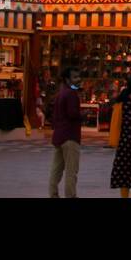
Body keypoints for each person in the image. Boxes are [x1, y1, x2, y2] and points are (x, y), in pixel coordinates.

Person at [48, 67, 83, 198]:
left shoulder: (60, 93)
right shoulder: (71, 94)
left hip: (59, 136)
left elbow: (55, 116)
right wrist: (82, 116)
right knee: (71, 170)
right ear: (67, 80)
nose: (78, 79)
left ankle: (53, 194)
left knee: (56, 170)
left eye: (78, 76)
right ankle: (71, 196)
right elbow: (73, 114)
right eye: (75, 77)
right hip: (70, 137)